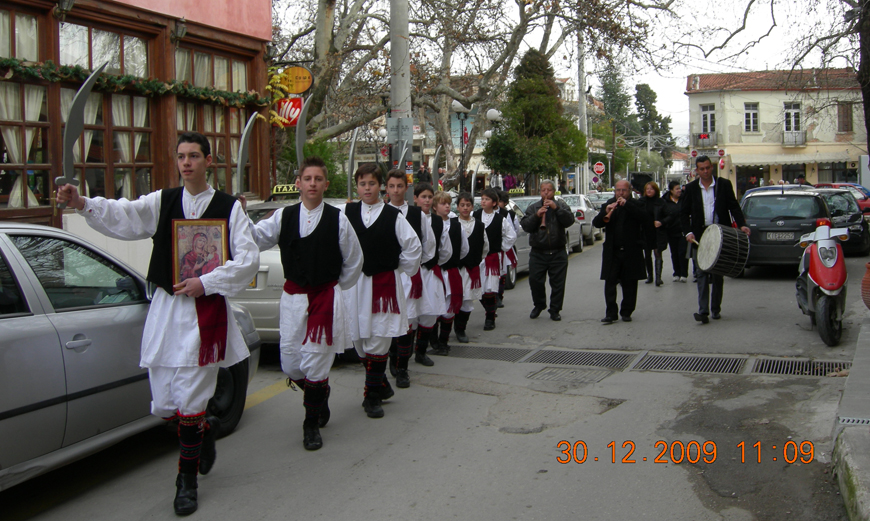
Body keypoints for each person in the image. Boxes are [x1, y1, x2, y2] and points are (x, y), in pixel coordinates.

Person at [56, 132, 259, 515]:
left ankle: (186, 482)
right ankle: (204, 431)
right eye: (181, 156)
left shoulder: (229, 208)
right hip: (168, 310)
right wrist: (82, 202)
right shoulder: (163, 201)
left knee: (191, 398)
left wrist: (206, 281)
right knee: (167, 404)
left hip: (205, 313)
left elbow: (247, 260)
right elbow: (123, 215)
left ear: (208, 161)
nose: (186, 162)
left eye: (194, 156)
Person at [250, 156, 362, 451]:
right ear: (298, 183)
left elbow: (353, 260)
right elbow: (255, 239)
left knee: (316, 363)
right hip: (293, 299)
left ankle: (311, 423)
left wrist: (333, 287)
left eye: (318, 179)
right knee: (291, 363)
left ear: (326, 184)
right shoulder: (282, 216)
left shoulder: (338, 218)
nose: (313, 184)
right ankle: (319, 393)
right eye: (307, 178)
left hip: (324, 298)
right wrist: (233, 220)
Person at [343, 164, 422, 418]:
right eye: (362, 184)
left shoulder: (392, 216)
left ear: (381, 187)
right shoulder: (346, 212)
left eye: (372, 184)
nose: (367, 188)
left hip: (383, 286)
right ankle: (381, 383)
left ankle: (372, 395)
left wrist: (397, 267)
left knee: (379, 337)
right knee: (358, 341)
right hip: (354, 286)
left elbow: (413, 246)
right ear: (357, 186)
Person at [680, 155, 750, 324]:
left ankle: (715, 308)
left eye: (707, 168)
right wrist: (688, 232)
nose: (705, 171)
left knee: (717, 273)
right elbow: (683, 213)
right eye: (701, 169)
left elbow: (734, 206)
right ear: (697, 170)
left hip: (720, 233)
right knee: (701, 272)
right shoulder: (690, 189)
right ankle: (703, 311)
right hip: (700, 234)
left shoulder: (723, 185)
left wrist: (742, 225)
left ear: (712, 168)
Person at [385, 171, 438, 389]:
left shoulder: (417, 215)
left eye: (399, 186)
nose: (396, 190)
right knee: (389, 322)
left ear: (406, 189)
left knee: (407, 323)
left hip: (409, 276)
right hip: (387, 276)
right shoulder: (380, 212)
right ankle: (391, 356)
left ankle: (403, 368)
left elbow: (429, 243)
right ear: (386, 189)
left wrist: (414, 265)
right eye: (391, 186)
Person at [591, 180, 647, 323]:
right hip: (612, 251)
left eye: (624, 190)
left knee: (630, 283)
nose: (620, 193)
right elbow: (597, 223)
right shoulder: (609, 203)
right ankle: (611, 312)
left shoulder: (636, 204)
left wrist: (626, 205)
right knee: (610, 282)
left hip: (631, 250)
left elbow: (644, 218)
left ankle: (627, 311)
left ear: (629, 191)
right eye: (618, 190)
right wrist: (606, 211)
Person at [519, 179, 575, 321]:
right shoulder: (533, 208)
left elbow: (569, 221)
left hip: (558, 251)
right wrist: (537, 215)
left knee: (558, 284)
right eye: (543, 190)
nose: (546, 193)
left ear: (554, 191)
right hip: (538, 252)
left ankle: (555, 309)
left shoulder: (561, 205)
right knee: (535, 281)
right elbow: (525, 225)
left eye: (549, 190)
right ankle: (539, 305)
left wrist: (556, 208)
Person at [474, 188, 516, 330]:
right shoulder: (476, 215)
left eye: (486, 199)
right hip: (477, 259)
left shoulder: (500, 219)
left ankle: (490, 319)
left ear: (494, 203)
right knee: (477, 289)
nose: (483, 201)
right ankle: (489, 309)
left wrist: (500, 247)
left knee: (490, 288)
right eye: (482, 199)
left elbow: (511, 236)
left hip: (492, 258)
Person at [432, 191, 469, 354]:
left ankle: (443, 342)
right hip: (435, 272)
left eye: (448, 203)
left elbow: (464, 249)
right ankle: (431, 341)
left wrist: (451, 261)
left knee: (449, 308)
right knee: (433, 308)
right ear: (434, 207)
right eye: (442, 203)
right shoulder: (430, 224)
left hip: (450, 271)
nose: (447, 206)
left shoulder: (456, 226)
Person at [454, 191, 489, 343]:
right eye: (462, 205)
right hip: (456, 269)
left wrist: (476, 260)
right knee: (454, 298)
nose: (465, 208)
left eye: (468, 205)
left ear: (472, 207)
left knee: (467, 300)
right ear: (457, 207)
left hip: (471, 269)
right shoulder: (453, 224)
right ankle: (447, 328)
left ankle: (461, 329)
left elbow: (485, 247)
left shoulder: (480, 226)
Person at [640, 181, 668, 286]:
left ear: (655, 190)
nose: (649, 191)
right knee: (647, 255)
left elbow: (669, 215)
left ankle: (658, 278)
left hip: (657, 232)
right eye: (647, 189)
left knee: (657, 254)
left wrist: (661, 222)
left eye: (651, 189)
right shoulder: (641, 201)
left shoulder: (660, 202)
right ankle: (650, 276)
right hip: (645, 231)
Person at [661, 181, 689, 282]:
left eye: (679, 188)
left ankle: (684, 273)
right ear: (671, 190)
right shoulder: (665, 201)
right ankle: (676, 272)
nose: (679, 191)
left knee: (682, 252)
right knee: (674, 252)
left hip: (683, 230)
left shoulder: (684, 199)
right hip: (671, 231)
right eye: (676, 189)